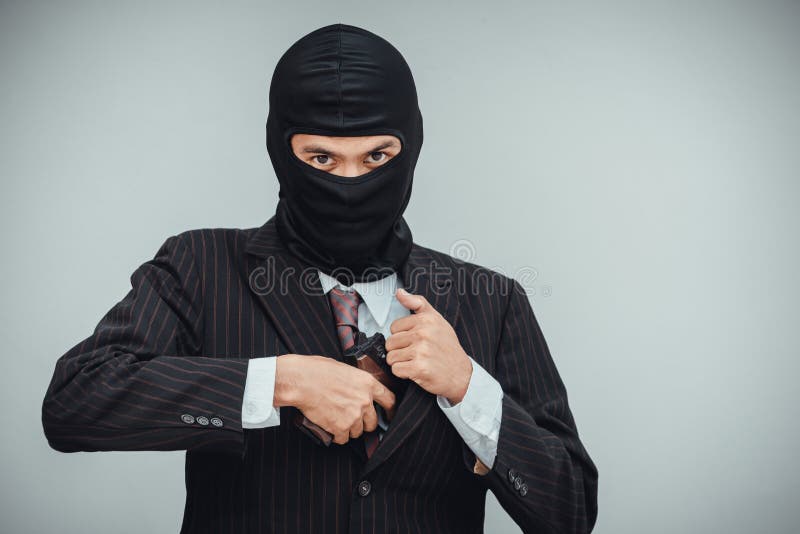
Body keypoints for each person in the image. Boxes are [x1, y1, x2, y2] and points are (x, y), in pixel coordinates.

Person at [41, 23, 598, 534]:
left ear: (412, 147)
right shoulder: (201, 266)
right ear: (280, 151)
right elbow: (74, 402)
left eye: (377, 157)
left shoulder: (491, 301)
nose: (351, 183)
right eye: (322, 159)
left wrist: (467, 387)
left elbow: (570, 512)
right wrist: (279, 383)